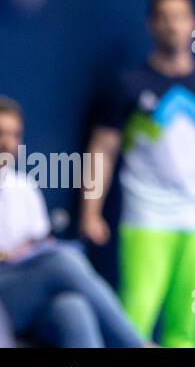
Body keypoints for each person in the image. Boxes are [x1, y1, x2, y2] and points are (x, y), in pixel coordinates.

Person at [80, 0, 195, 347]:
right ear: (151, 24)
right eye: (165, 17)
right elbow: (101, 151)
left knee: (186, 327)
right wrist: (91, 211)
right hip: (146, 217)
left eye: (181, 16)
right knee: (134, 319)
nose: (173, 25)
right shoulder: (128, 85)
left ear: (194, 24)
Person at [0, 97, 142, 348]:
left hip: (26, 296)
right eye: (1, 133)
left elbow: (39, 245)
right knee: (61, 263)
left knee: (72, 307)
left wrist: (38, 247)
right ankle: (138, 345)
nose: (7, 143)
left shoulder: (25, 187)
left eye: (14, 135)